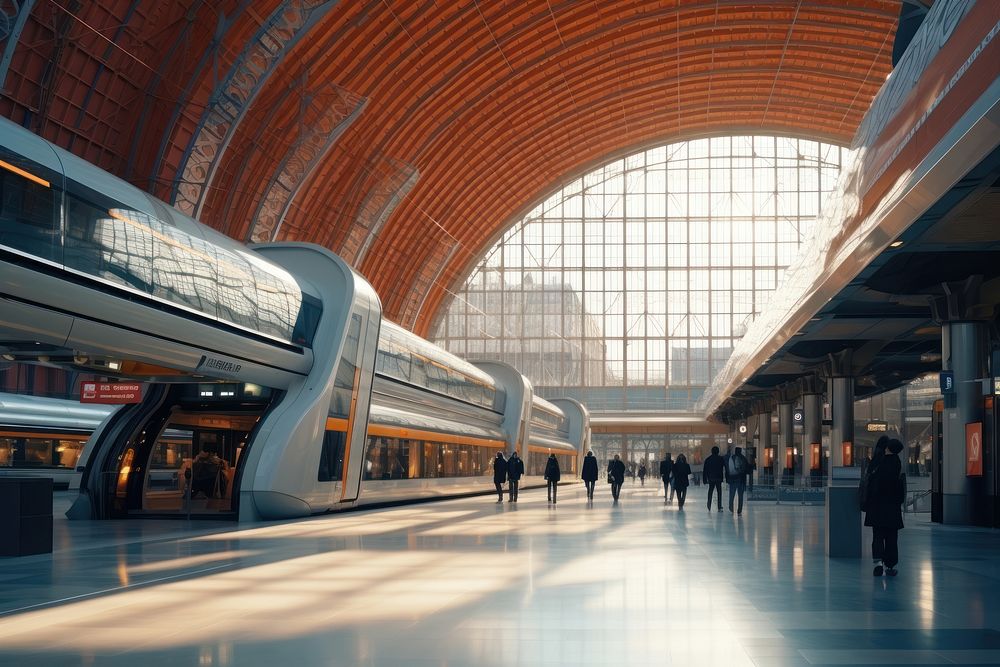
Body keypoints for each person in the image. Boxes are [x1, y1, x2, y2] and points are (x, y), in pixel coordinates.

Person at [864, 438, 905, 576]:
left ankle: (878, 563)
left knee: (877, 536)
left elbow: (869, 481)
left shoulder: (877, 462)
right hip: (892, 507)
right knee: (892, 537)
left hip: (876, 506)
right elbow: (899, 487)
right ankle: (890, 566)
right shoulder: (897, 463)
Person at [725, 446, 750, 515]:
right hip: (741, 480)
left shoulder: (732, 458)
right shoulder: (744, 458)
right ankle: (739, 510)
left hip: (733, 479)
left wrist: (727, 478)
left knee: (732, 494)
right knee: (740, 496)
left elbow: (728, 468)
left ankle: (731, 508)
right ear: (741, 451)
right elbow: (747, 469)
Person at [703, 445, 725, 512]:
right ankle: (719, 506)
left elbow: (705, 470)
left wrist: (705, 479)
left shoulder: (708, 459)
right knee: (719, 492)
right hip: (718, 478)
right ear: (718, 452)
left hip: (711, 478)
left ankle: (709, 504)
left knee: (710, 491)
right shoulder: (721, 459)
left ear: (711, 452)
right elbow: (724, 467)